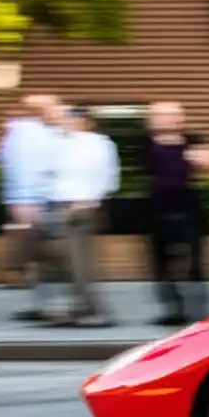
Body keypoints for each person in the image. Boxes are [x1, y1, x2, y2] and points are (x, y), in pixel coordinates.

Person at [142, 101, 209, 326]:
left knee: (195, 262)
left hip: (190, 210)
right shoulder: (144, 143)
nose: (168, 119)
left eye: (173, 115)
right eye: (161, 115)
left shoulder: (193, 141)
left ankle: (200, 311)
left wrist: (205, 163)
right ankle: (173, 310)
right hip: (156, 211)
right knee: (161, 263)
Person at [47, 106, 119, 327]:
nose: (68, 122)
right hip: (60, 204)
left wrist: (90, 200)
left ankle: (96, 310)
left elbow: (107, 175)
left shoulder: (100, 144)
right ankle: (78, 307)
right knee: (65, 262)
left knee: (81, 262)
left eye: (73, 119)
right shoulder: (60, 143)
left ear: (86, 121)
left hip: (84, 207)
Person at [6, 94, 66, 321]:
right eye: (53, 108)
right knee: (45, 256)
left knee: (40, 257)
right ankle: (47, 306)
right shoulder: (29, 135)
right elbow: (23, 171)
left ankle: (43, 304)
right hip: (38, 202)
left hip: (35, 201)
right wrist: (23, 202)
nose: (58, 111)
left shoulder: (22, 133)